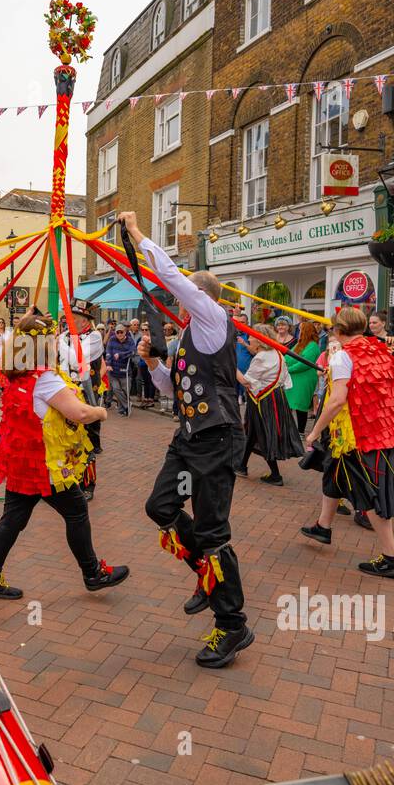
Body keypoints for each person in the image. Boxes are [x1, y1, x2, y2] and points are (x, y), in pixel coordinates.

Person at [126, 212, 252, 669]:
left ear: (200, 300)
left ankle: (232, 623)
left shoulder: (214, 319)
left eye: (186, 298)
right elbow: (169, 392)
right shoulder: (184, 340)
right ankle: (204, 571)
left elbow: (172, 277)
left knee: (214, 532)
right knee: (161, 507)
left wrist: (138, 236)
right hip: (187, 440)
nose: (180, 305)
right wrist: (154, 366)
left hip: (218, 440)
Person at [0, 312, 125, 600]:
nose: (56, 342)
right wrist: (101, 412)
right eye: (52, 338)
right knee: (77, 512)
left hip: (23, 464)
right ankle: (93, 573)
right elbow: (79, 413)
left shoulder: (17, 374)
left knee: (12, 521)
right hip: (44, 467)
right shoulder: (44, 379)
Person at [300, 306, 394, 578]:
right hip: (387, 431)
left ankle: (392, 557)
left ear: (338, 331)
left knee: (369, 496)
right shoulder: (379, 349)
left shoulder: (342, 358)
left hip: (361, 437)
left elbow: (337, 399)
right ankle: (323, 526)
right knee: (334, 473)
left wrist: (314, 432)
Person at [237, 324, 303, 484]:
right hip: (274, 397)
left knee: (263, 432)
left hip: (263, 400)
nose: (249, 339)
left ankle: (276, 475)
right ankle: (241, 466)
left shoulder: (262, 357)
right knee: (253, 432)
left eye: (251, 336)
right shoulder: (276, 353)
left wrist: (232, 366)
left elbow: (246, 381)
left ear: (260, 340)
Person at [58, 298, 105, 455]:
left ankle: (92, 447)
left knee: (90, 415)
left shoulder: (95, 336)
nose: (68, 321)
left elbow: (77, 359)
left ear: (85, 321)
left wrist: (61, 343)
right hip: (68, 385)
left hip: (87, 385)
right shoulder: (65, 335)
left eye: (73, 318)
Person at [285, 320, 322, 433]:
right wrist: (284, 363)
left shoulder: (313, 346)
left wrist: (288, 369)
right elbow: (289, 357)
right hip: (294, 377)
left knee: (301, 405)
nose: (299, 331)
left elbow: (304, 363)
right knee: (290, 404)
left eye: (301, 330)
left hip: (304, 379)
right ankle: (290, 431)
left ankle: (300, 432)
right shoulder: (299, 344)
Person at [105, 324, 134, 416]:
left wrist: (121, 354)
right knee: (116, 389)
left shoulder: (129, 340)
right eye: (118, 332)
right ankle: (127, 406)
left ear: (125, 332)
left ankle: (122, 410)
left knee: (126, 391)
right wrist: (108, 364)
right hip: (113, 371)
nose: (120, 334)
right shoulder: (112, 339)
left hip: (125, 370)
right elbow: (108, 352)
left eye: (121, 332)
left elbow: (132, 352)